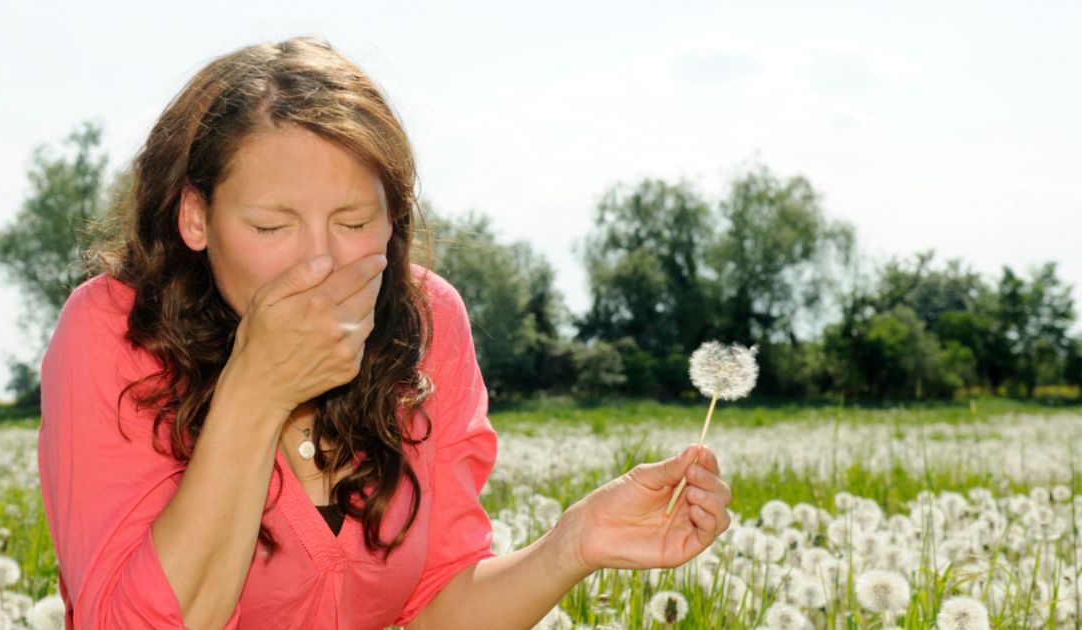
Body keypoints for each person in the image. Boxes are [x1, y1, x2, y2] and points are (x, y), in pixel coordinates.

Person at [38, 36, 732, 630]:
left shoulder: (425, 323)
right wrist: (256, 393)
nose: (321, 263)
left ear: (394, 217)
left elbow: (440, 602)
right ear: (196, 217)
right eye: (271, 227)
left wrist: (574, 544)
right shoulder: (113, 333)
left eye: (352, 222)